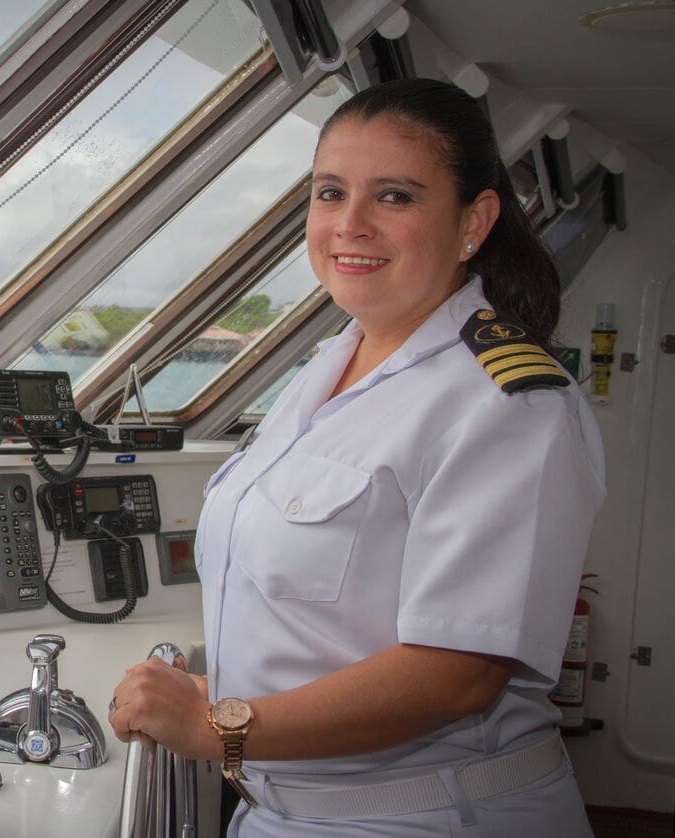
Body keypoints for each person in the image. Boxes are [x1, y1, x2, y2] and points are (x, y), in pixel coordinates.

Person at [106, 77, 606, 836]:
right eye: (331, 192)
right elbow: (329, 634)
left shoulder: (510, 402)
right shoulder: (325, 371)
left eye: (396, 197)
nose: (351, 224)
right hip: (281, 811)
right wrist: (220, 693)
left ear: (474, 221)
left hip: (428, 817)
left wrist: (221, 724)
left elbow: (457, 673)